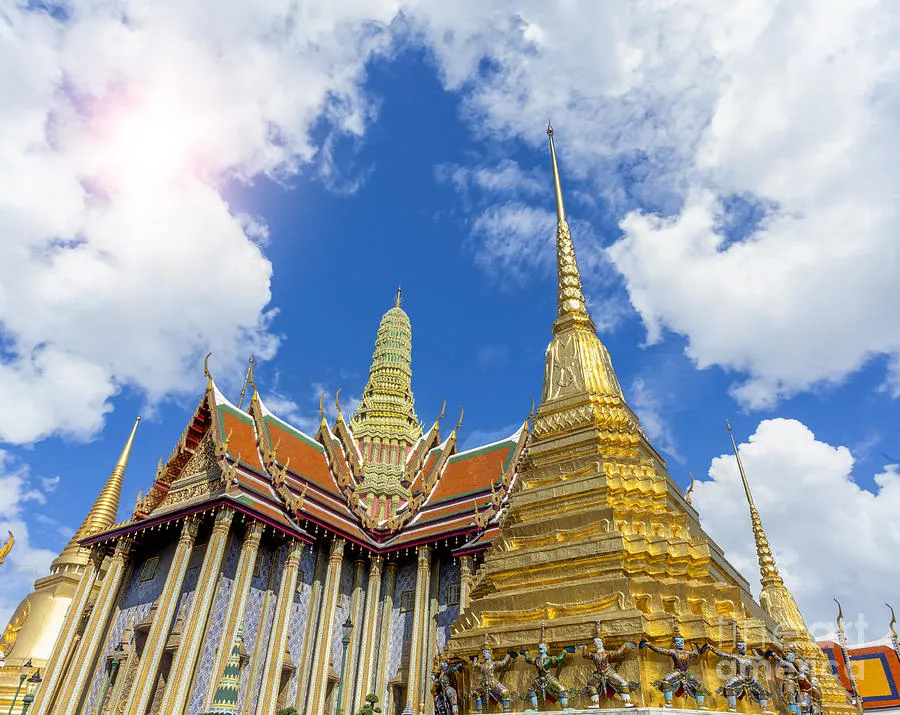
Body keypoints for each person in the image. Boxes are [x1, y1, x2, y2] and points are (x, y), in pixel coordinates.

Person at [640, 624, 710, 709]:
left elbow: (696, 653)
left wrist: (693, 645)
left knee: (699, 685)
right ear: (675, 643)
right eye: (678, 642)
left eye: (682, 642)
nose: (680, 644)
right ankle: (668, 703)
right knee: (666, 681)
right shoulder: (673, 652)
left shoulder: (687, 653)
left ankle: (700, 704)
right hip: (677, 672)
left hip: (686, 673)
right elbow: (660, 650)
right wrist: (649, 645)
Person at [581, 620, 639, 709]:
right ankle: (595, 704)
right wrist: (584, 647)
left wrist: (625, 645)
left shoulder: (607, 653)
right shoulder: (593, 655)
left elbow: (618, 653)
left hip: (608, 672)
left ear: (602, 642)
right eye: (595, 642)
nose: (596, 643)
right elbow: (585, 655)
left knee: (623, 683)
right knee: (590, 684)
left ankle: (627, 703)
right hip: (598, 674)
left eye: (598, 641)